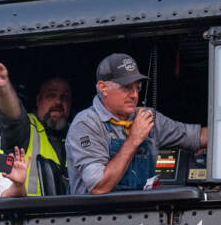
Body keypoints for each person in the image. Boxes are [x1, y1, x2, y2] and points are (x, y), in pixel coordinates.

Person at [66, 53, 208, 195]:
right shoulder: (86, 124)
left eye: (137, 88)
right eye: (126, 88)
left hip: (141, 214)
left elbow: (198, 137)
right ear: (103, 88)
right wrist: (134, 139)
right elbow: (98, 187)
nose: (134, 95)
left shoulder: (146, 117)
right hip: (99, 215)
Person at [0, 63, 70, 195]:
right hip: (33, 214)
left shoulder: (80, 131)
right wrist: (3, 88)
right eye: (51, 95)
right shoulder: (26, 128)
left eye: (65, 97)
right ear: (38, 100)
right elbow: (12, 116)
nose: (58, 102)